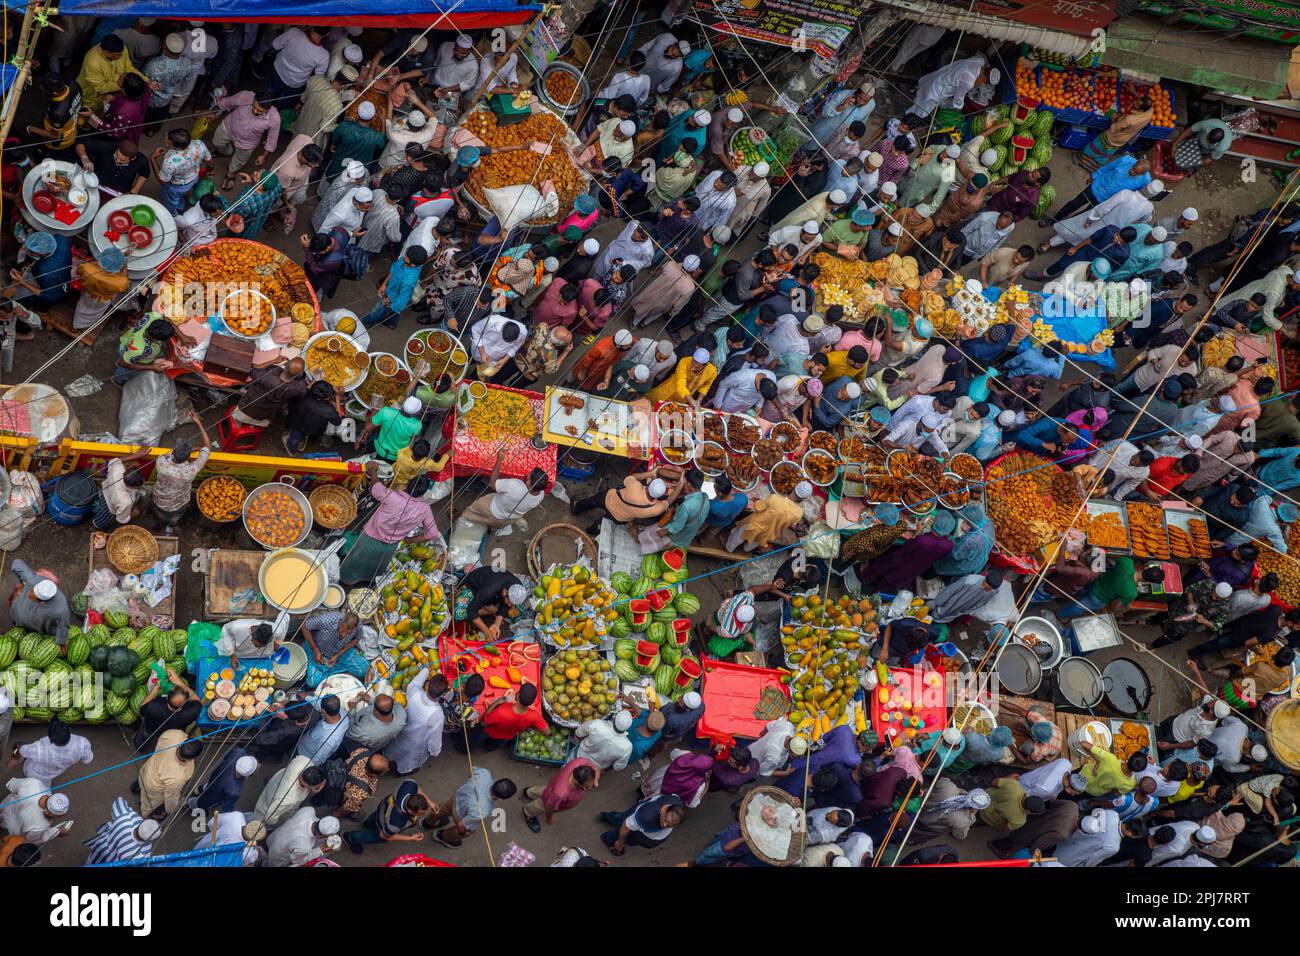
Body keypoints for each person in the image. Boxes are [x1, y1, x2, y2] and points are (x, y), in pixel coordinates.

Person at [339, 469, 443, 586]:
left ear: (409, 484)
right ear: (423, 492)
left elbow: (375, 488)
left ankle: (347, 580)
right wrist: (410, 540)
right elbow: (433, 534)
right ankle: (366, 582)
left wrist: (374, 472)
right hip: (389, 547)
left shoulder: (392, 496)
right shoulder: (424, 509)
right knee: (375, 566)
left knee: (356, 560)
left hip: (369, 539)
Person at [150, 412, 212, 533]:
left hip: (158, 498)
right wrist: (199, 423)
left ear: (173, 452)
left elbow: (173, 453)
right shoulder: (190, 470)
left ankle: (159, 524)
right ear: (188, 457)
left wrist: (191, 449)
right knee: (173, 518)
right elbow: (208, 447)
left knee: (158, 514)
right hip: (176, 505)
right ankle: (170, 525)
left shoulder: (161, 460)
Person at [430, 768, 517, 848]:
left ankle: (428, 822)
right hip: (461, 816)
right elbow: (461, 824)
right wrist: (461, 833)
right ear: (500, 798)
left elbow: (471, 772)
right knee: (464, 832)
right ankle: (442, 836)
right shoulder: (483, 811)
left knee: (441, 809)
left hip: (456, 799)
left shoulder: (484, 774)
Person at [384, 668, 447, 775]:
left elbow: (417, 680)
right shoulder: (437, 714)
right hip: (415, 746)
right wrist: (435, 752)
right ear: (442, 694)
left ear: (427, 685)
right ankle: (398, 773)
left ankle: (386, 763)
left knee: (392, 752)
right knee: (405, 763)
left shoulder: (414, 691)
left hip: (401, 733)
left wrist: (426, 670)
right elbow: (434, 742)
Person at [460, 459, 548, 533]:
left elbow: (493, 484)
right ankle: (491, 529)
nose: (527, 474)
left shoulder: (515, 485)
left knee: (473, 510)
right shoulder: (541, 495)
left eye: (528, 475)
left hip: (492, 509)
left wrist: (499, 460)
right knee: (496, 525)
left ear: (529, 482)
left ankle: (464, 518)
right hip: (509, 518)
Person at [521, 757, 600, 833]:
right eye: (588, 787)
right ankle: (528, 812)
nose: (592, 787)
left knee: (542, 790)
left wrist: (595, 781)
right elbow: (549, 807)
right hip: (550, 798)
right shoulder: (561, 794)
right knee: (540, 805)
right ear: (577, 783)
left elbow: (596, 769)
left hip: (552, 787)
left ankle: (529, 792)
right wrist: (549, 819)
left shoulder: (581, 761)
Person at [137, 729, 202, 818]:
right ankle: (147, 812)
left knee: (141, 783)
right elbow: (171, 797)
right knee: (149, 803)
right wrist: (170, 810)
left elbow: (162, 737)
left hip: (149, 766)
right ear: (192, 759)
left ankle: (136, 788)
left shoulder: (175, 735)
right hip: (154, 786)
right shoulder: (178, 778)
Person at [10, 718, 93, 786]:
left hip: (34, 772)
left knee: (19, 744)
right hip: (53, 773)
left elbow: (22, 750)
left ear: (50, 738)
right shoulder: (83, 743)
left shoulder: (39, 749)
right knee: (44, 785)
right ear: (69, 731)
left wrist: (15, 752)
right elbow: (87, 759)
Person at [7, 560, 72, 648]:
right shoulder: (33, 580)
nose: (29, 595)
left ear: (42, 602)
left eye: (32, 597)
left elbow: (64, 624)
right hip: (18, 613)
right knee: (17, 618)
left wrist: (61, 641)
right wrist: (20, 583)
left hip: (39, 625)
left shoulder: (61, 609)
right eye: (31, 591)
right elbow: (16, 563)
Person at [600, 793, 686, 855]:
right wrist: (620, 842)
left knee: (621, 818)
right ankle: (608, 839)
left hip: (638, 820)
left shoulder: (676, 800)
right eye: (666, 820)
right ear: (666, 810)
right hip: (636, 828)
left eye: (670, 825)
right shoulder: (646, 817)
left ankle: (606, 816)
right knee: (620, 829)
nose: (664, 825)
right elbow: (626, 825)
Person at [301, 610, 368, 687]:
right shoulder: (326, 620)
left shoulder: (358, 626)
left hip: (340, 650)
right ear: (341, 621)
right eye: (343, 631)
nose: (344, 635)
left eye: (349, 633)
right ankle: (341, 673)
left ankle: (332, 673)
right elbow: (304, 626)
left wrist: (338, 655)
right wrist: (314, 649)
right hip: (318, 650)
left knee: (364, 668)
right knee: (313, 682)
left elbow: (357, 639)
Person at [84, 798, 160, 865]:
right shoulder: (141, 853)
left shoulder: (128, 816)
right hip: (111, 862)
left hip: (101, 846)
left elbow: (119, 801)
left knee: (91, 861)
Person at [253, 759, 325, 827]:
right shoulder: (289, 799)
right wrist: (278, 823)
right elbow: (269, 817)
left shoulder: (304, 761)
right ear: (306, 785)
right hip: (270, 806)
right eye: (317, 786)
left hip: (279, 780)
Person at [1, 780, 69, 846]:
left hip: (3, 809)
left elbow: (11, 784)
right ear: (47, 812)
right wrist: (57, 832)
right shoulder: (41, 825)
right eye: (57, 816)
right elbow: (30, 839)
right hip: (9, 831)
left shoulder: (34, 784)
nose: (57, 818)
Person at [268, 807, 341, 865]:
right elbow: (297, 861)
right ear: (323, 836)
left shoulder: (309, 810)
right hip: (276, 857)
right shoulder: (304, 846)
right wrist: (320, 850)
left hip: (274, 837)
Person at [194, 751, 259, 815]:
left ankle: (200, 789)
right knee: (203, 802)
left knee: (209, 786)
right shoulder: (235, 791)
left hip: (215, 777)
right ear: (247, 776)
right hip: (216, 794)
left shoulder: (238, 753)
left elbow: (226, 756)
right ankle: (191, 804)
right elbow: (227, 806)